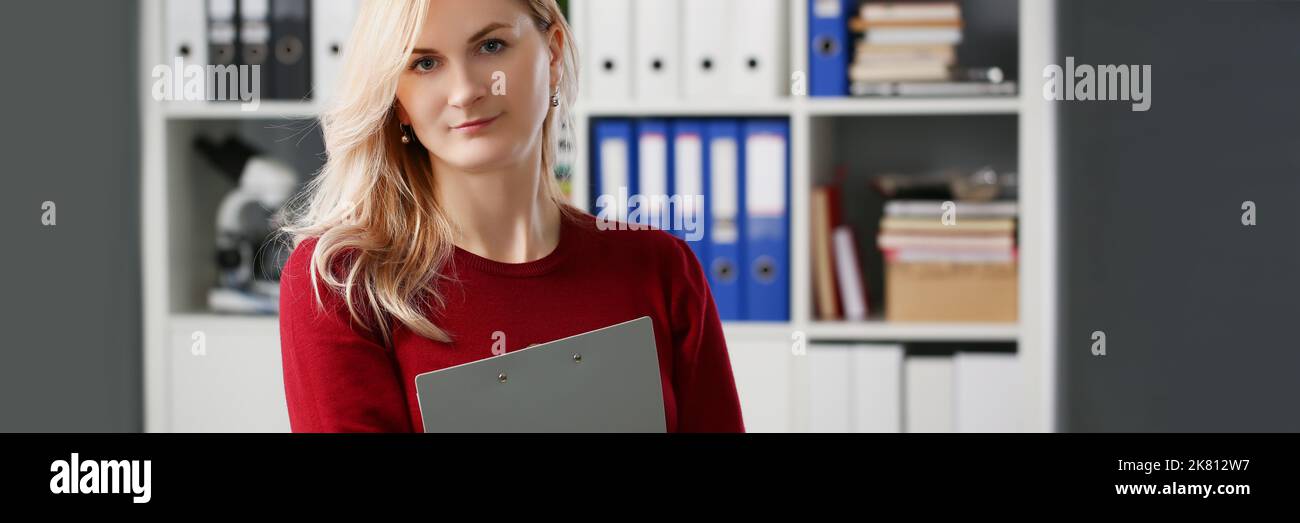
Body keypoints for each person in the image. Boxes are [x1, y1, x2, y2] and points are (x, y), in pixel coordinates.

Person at [277, 0, 745, 432]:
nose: (464, 91)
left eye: (491, 45)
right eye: (424, 63)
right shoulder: (341, 284)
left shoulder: (661, 268)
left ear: (553, 52)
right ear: (397, 100)